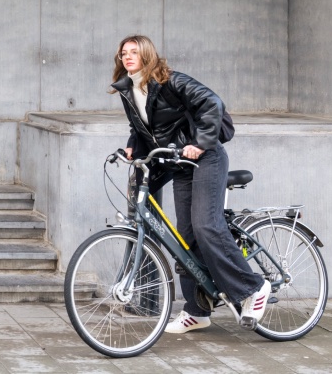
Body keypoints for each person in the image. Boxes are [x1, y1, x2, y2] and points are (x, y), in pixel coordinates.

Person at [110, 35, 270, 333]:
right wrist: (133, 146)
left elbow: (213, 103)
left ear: (146, 55)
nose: (127, 57)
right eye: (123, 53)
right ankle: (197, 311)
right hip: (179, 164)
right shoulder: (128, 90)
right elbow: (141, 128)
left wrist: (200, 142)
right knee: (184, 238)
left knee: (205, 224)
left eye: (133, 52)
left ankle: (253, 288)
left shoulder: (171, 81)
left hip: (206, 157)